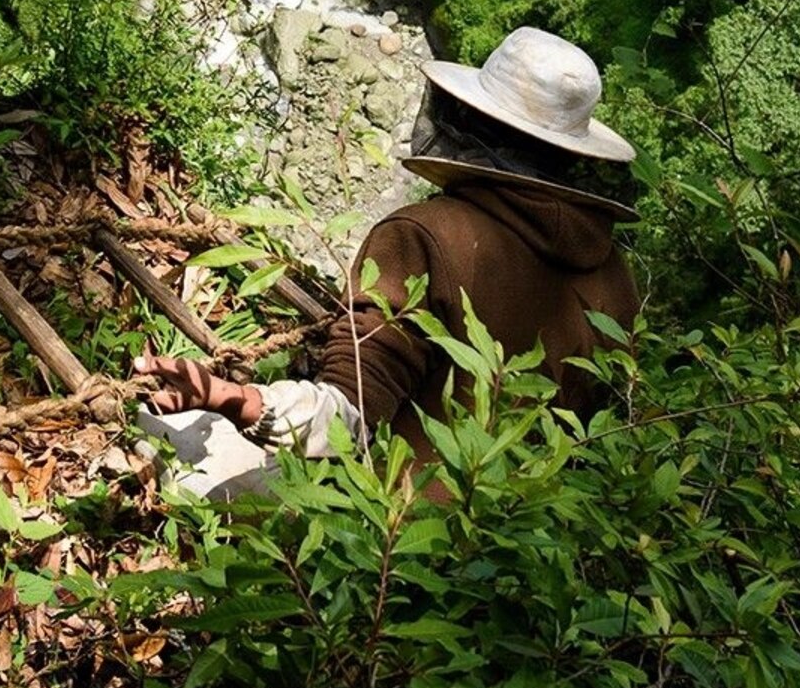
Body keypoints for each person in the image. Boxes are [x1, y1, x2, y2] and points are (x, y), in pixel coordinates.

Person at [136, 26, 640, 476]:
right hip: (537, 534)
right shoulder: (615, 271)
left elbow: (348, 416)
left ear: (467, 118)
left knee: (159, 436)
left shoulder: (423, 234)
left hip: (408, 531)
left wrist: (231, 398)